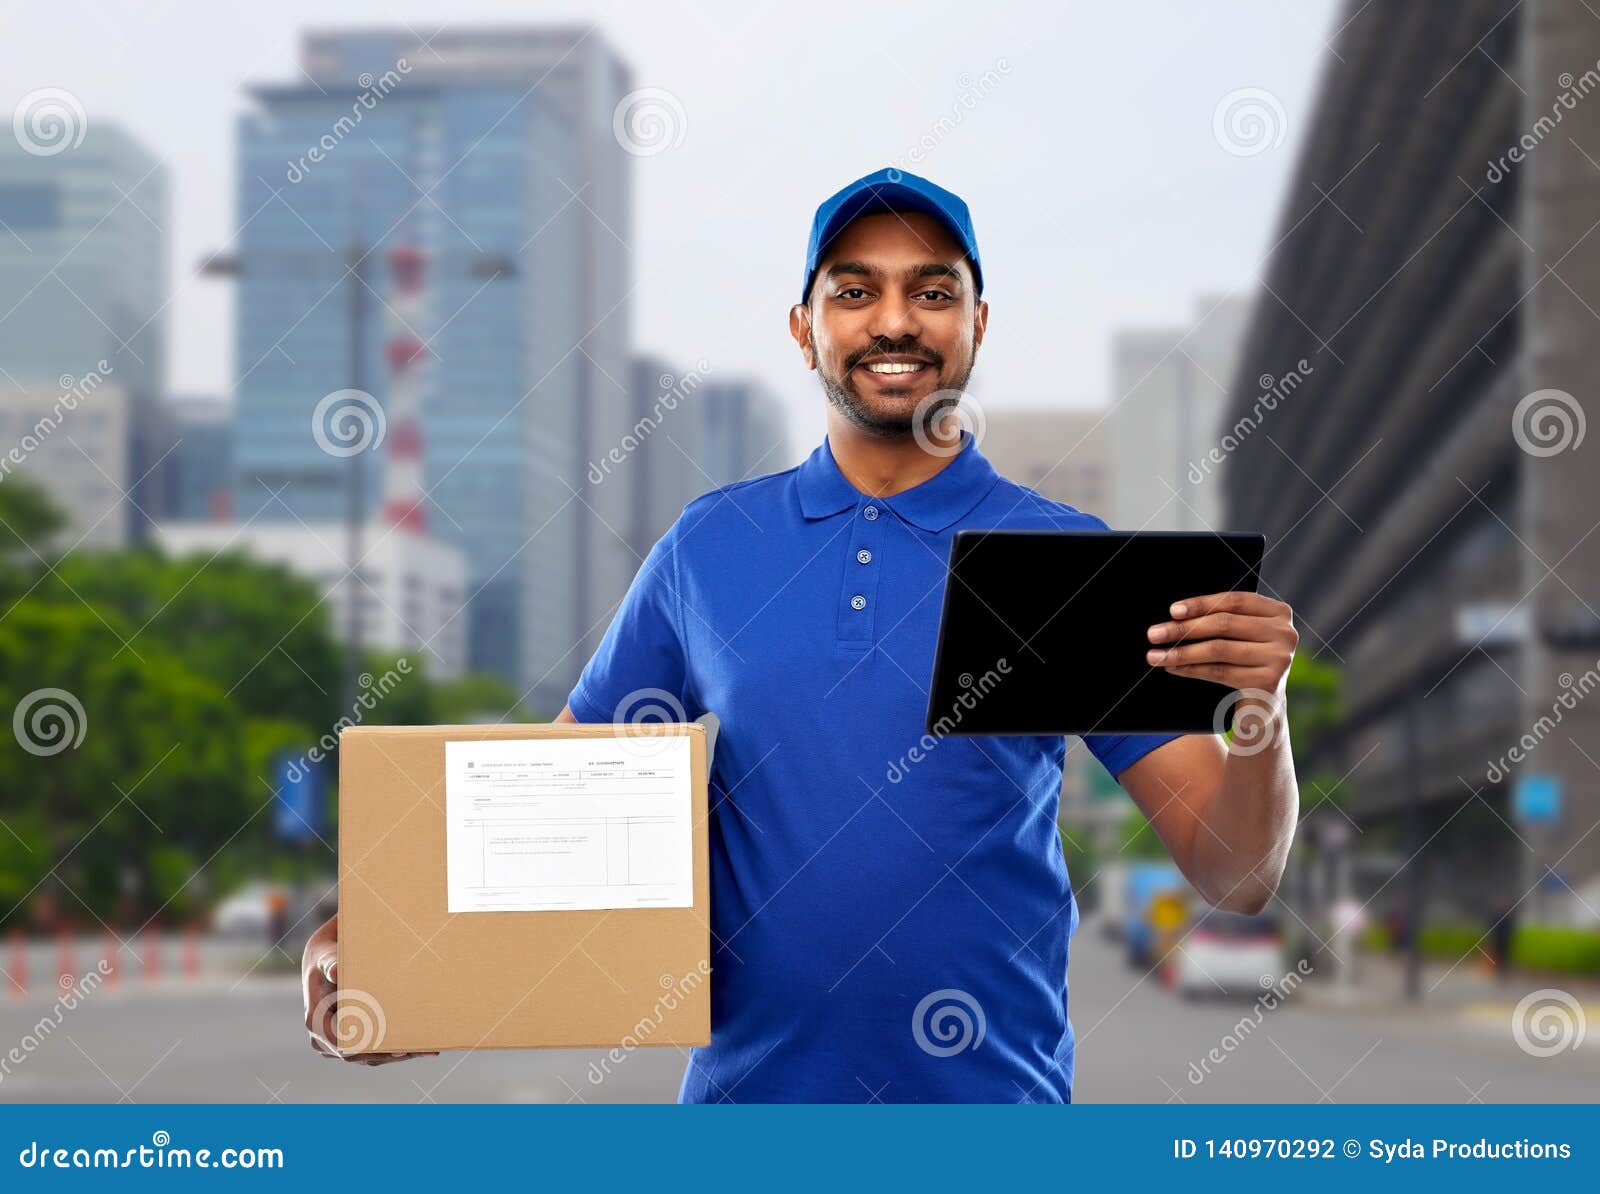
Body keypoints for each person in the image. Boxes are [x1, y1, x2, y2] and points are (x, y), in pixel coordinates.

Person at [304, 167, 1301, 1100]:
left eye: (933, 291)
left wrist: (1260, 711)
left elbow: (1236, 871)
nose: (895, 322)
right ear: (804, 324)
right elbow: (547, 821)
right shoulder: (710, 547)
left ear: (978, 322)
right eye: (855, 291)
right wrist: (384, 956)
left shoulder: (1064, 561)